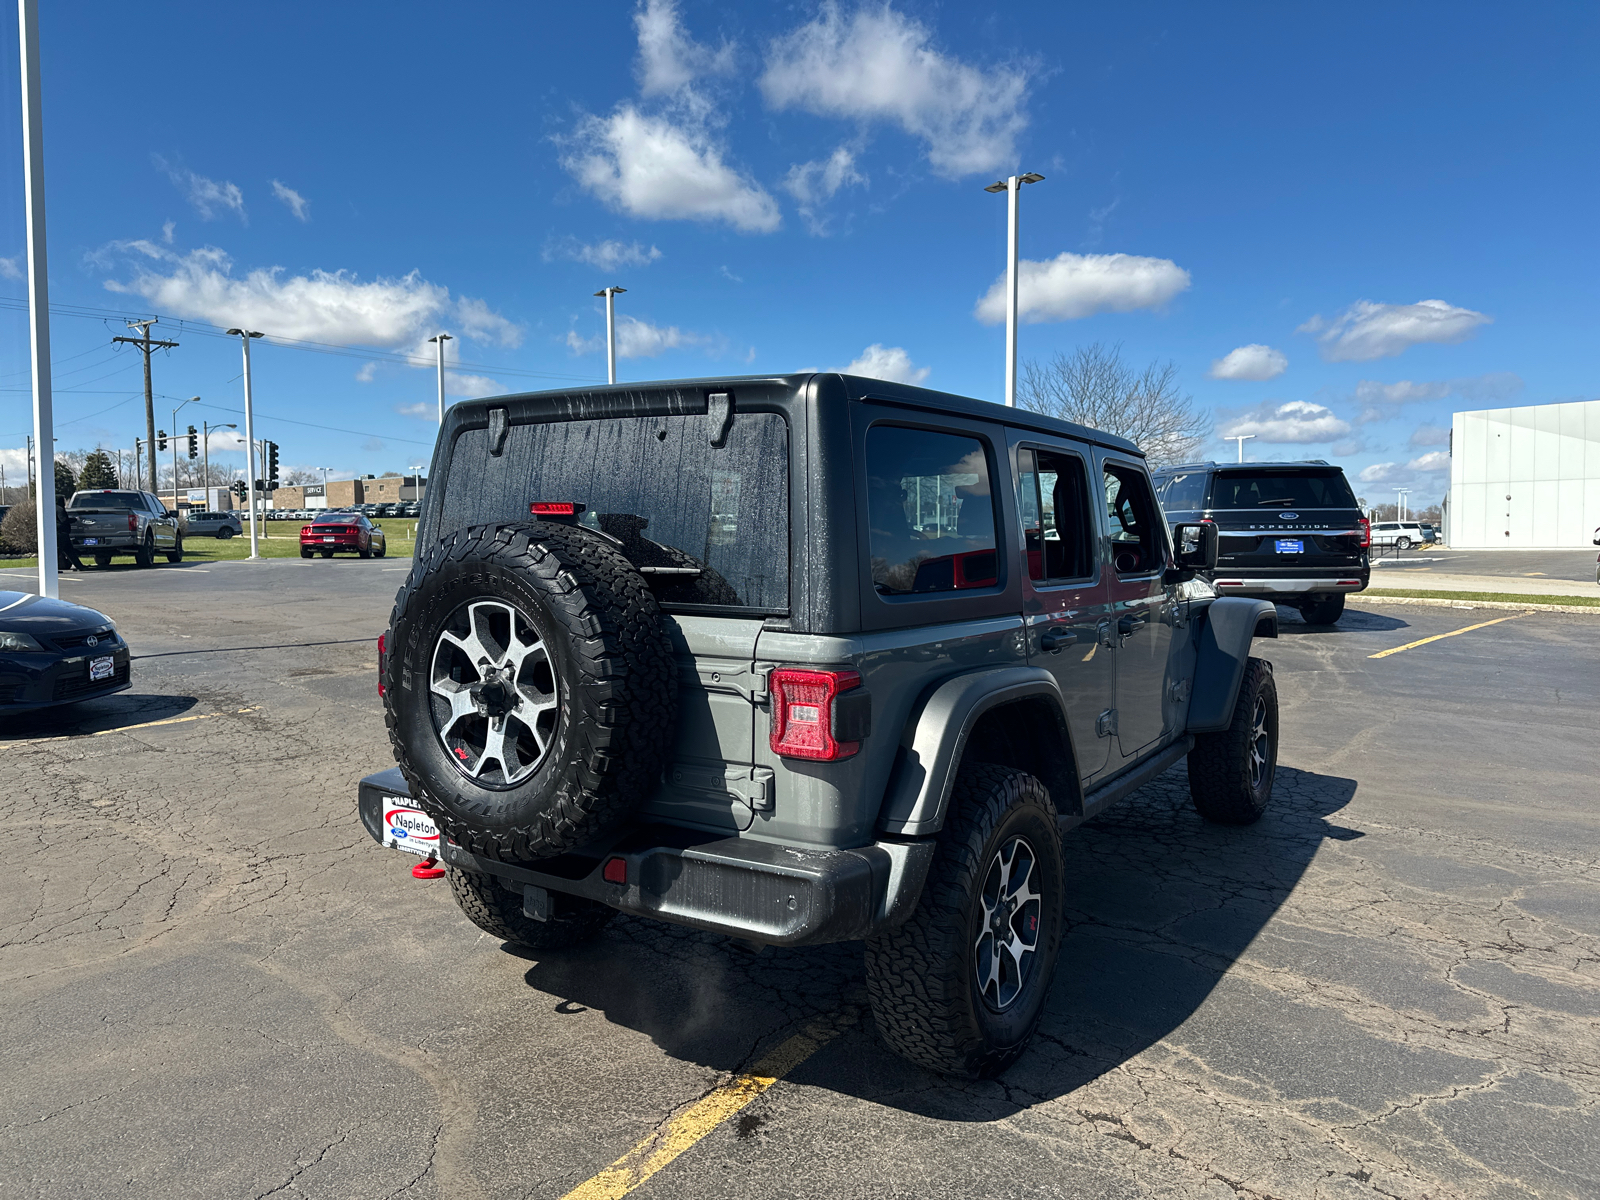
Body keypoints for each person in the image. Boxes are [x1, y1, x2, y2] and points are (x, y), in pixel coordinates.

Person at [55, 495, 83, 571]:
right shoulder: (60, 509)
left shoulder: (53, 508)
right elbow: (64, 520)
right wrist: (74, 519)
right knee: (58, 551)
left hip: (59, 532)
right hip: (62, 533)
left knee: (69, 551)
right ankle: (53, 568)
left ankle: (80, 566)